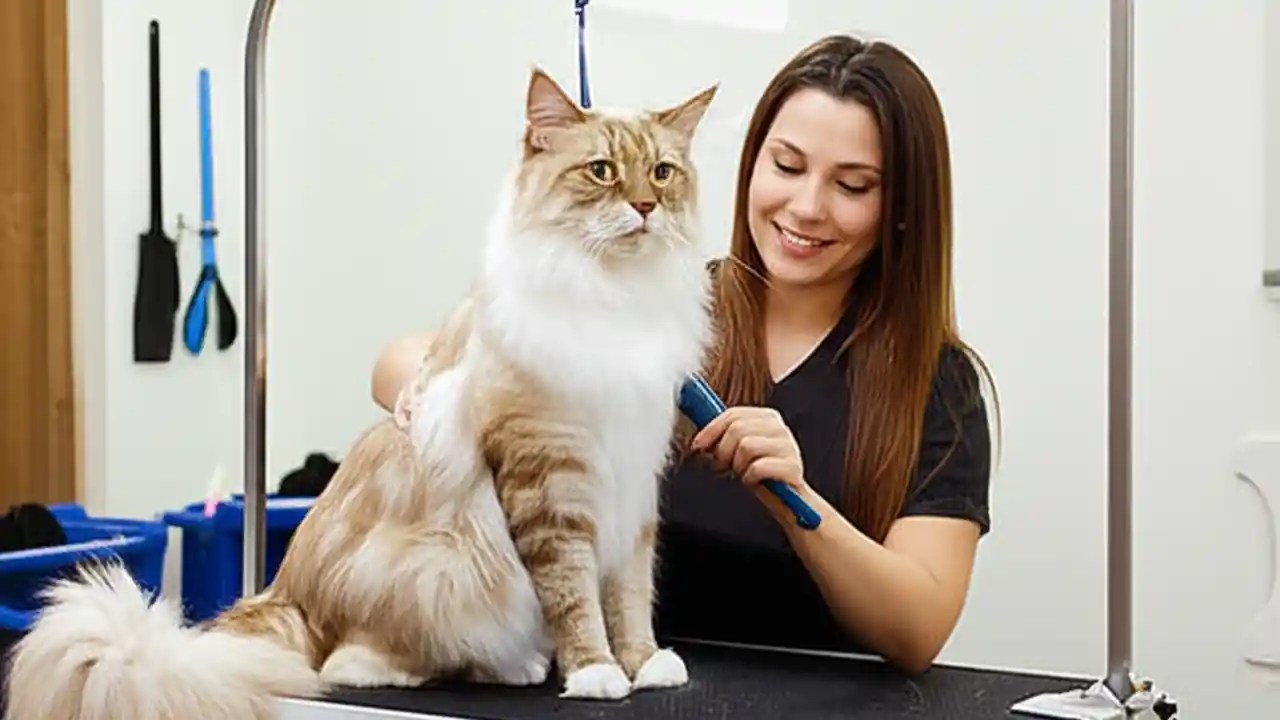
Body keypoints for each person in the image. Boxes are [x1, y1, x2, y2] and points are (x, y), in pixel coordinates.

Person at [369, 34, 995, 675]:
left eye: (853, 185)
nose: (807, 207)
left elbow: (917, 629)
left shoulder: (938, 384)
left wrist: (794, 499)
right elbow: (399, 363)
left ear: (900, 208)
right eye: (785, 166)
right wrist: (441, 384)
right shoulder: (665, 312)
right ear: (751, 164)